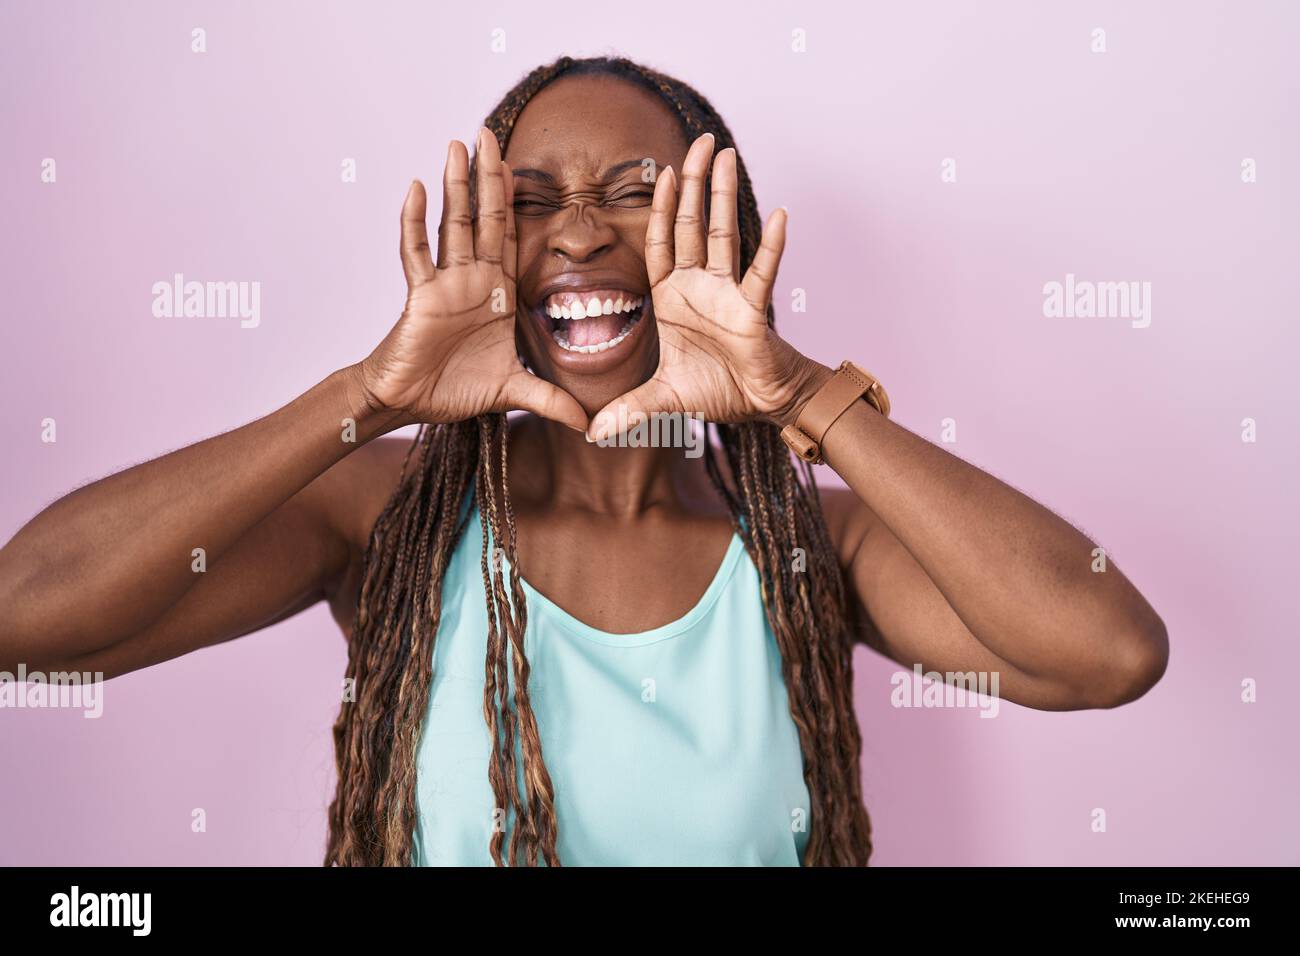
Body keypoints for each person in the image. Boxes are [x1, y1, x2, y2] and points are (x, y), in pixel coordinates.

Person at [0, 57, 1168, 867]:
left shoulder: (810, 543)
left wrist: (797, 393)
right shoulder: (386, 512)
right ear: (485, 244)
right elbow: (28, 614)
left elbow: (1105, 649)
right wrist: (367, 395)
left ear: (720, 237)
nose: (578, 232)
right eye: (530, 201)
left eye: (633, 194)